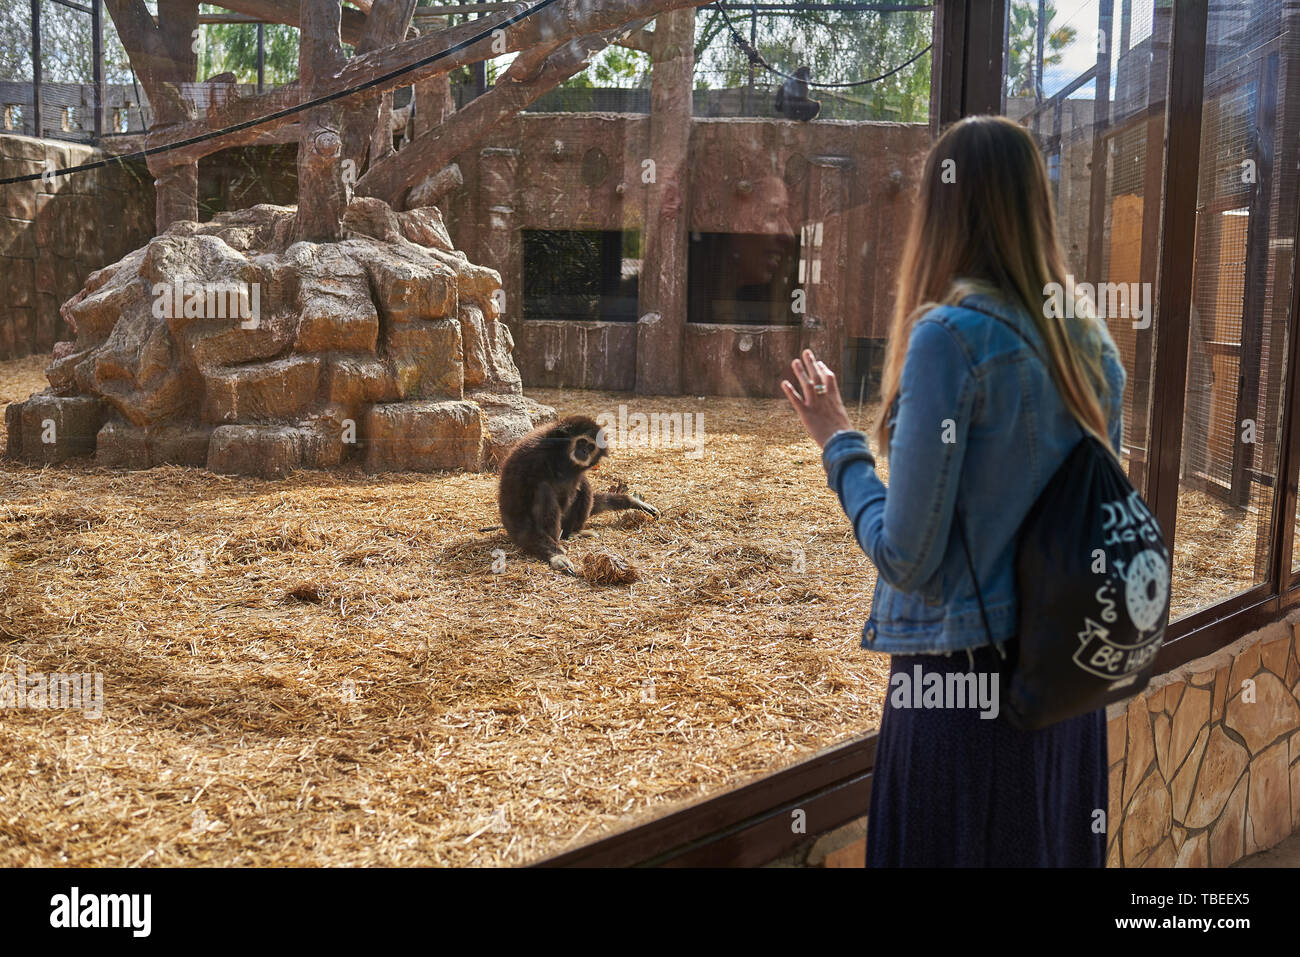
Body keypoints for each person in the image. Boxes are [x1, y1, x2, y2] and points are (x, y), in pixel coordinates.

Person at [782, 115, 1127, 867]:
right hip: (1066, 694)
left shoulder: (949, 338)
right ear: (1037, 207)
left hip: (965, 703)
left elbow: (908, 555)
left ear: (943, 212)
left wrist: (838, 442)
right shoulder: (1094, 346)